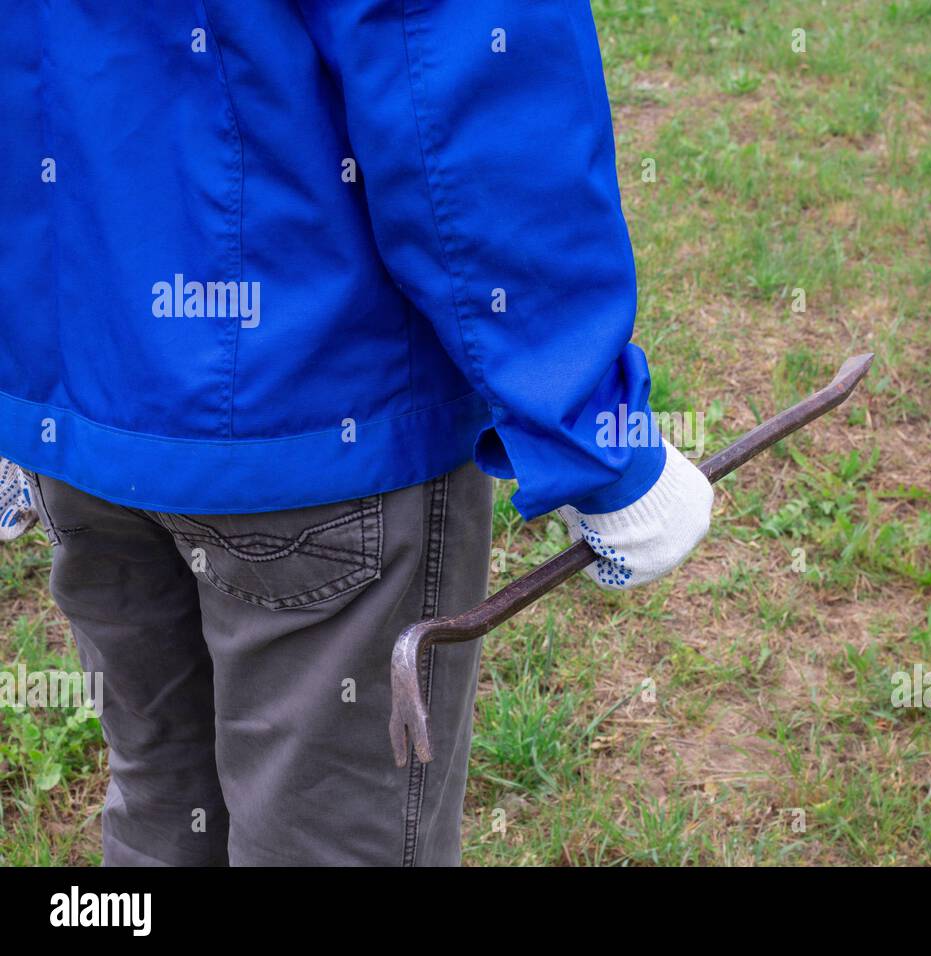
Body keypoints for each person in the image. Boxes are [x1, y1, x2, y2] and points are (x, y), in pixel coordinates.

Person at [0, 2, 712, 866]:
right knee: (309, 839)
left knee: (163, 812)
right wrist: (598, 442)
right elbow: (449, 59)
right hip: (320, 429)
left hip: (83, 406)